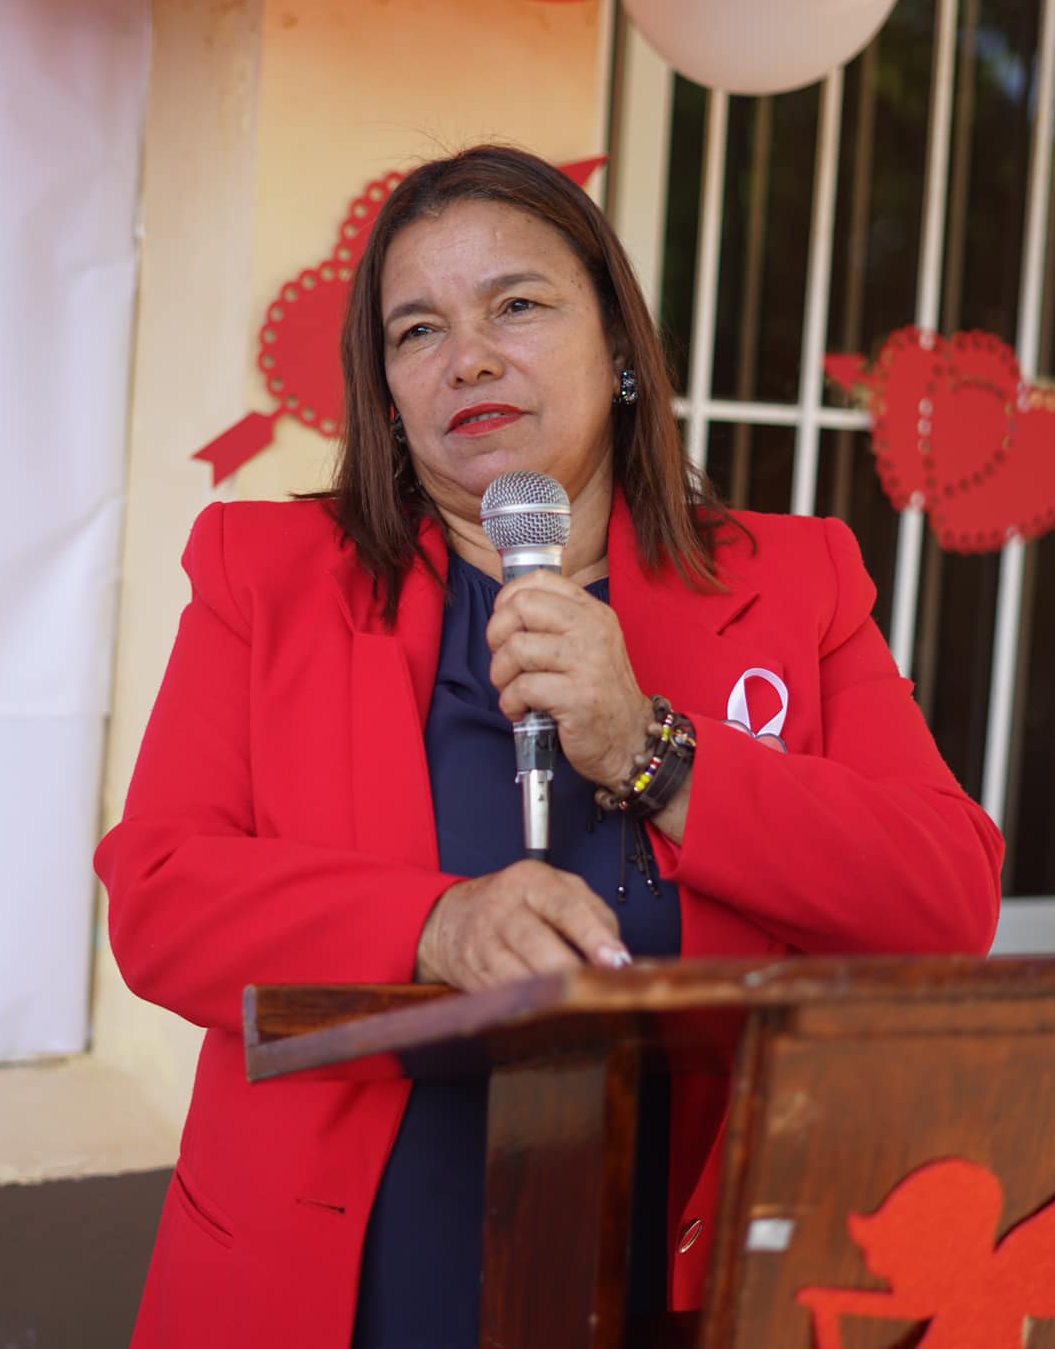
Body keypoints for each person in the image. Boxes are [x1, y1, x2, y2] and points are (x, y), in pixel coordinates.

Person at [95, 145, 1003, 1349]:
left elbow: (947, 894)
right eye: (416, 331)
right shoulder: (265, 579)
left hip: (688, 1277)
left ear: (619, 346)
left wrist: (653, 751)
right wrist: (435, 925)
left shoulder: (790, 584)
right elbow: (160, 897)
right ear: (386, 392)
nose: (466, 355)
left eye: (515, 305)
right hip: (346, 1276)